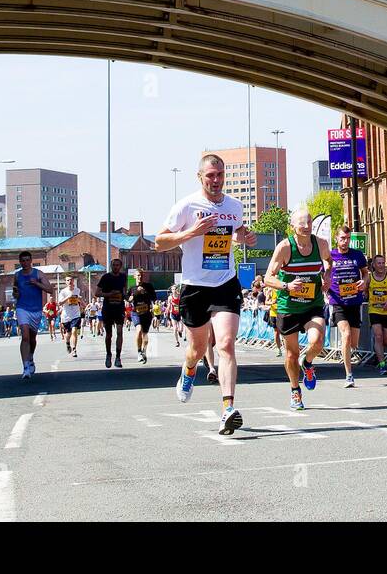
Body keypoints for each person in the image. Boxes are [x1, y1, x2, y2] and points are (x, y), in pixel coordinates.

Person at [155, 155, 257, 435]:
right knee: (198, 349)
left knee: (225, 344)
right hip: (195, 286)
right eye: (211, 175)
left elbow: (236, 232)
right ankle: (188, 371)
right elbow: (159, 241)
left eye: (220, 175)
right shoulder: (186, 206)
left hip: (225, 283)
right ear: (200, 177)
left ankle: (228, 409)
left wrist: (245, 237)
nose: (216, 180)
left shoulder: (234, 206)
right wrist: (191, 232)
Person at [264, 208, 331, 410]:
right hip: (288, 306)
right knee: (291, 354)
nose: (306, 226)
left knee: (318, 341)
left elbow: (329, 261)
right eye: (302, 223)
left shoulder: (320, 244)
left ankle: (308, 363)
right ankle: (295, 391)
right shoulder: (285, 247)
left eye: (309, 222)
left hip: (313, 303)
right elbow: (268, 278)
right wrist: (287, 286)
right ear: (292, 226)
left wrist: (327, 276)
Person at [327, 226, 370, 388]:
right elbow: (323, 274)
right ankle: (349, 375)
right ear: (336, 238)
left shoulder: (357, 255)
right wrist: (326, 287)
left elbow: (365, 273)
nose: (345, 241)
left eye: (347, 238)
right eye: (342, 238)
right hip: (338, 301)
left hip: (354, 301)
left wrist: (363, 282)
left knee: (354, 342)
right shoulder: (330, 256)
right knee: (345, 335)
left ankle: (349, 355)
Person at [12, 251, 54, 380]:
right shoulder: (17, 275)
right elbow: (15, 293)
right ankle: (25, 367)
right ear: (20, 262)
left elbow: (50, 289)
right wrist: (16, 293)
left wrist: (36, 283)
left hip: (35, 310)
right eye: (22, 261)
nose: (25, 263)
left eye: (27, 260)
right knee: (25, 336)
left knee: (32, 338)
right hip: (22, 308)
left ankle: (30, 357)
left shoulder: (38, 274)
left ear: (31, 261)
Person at [365, 253, 387, 373]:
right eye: (378, 263)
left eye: (382, 263)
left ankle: (379, 353)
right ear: (373, 265)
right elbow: (365, 292)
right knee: (378, 336)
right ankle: (382, 364)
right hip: (374, 310)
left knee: (386, 340)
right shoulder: (370, 278)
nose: (381, 265)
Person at [97, 260, 129, 369]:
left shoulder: (123, 277)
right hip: (108, 308)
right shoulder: (106, 277)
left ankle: (118, 357)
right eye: (114, 265)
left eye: (117, 265)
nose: (115, 267)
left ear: (120, 266)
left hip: (119, 308)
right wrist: (109, 294)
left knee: (120, 332)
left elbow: (124, 291)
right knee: (109, 334)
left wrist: (128, 297)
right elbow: (97, 293)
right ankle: (108, 355)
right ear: (111, 266)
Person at [58, 276, 83, 359]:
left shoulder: (77, 290)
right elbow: (60, 303)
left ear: (73, 281)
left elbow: (79, 300)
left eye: (71, 280)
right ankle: (67, 343)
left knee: (74, 331)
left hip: (76, 314)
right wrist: (68, 297)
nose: (70, 281)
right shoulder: (63, 292)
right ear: (65, 282)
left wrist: (82, 302)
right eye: (68, 280)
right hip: (66, 316)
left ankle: (74, 349)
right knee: (68, 334)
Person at [131, 281, 156, 364]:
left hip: (146, 313)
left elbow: (154, 298)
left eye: (141, 275)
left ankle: (144, 351)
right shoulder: (132, 288)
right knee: (139, 330)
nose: (139, 277)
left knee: (145, 334)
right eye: (138, 275)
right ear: (135, 277)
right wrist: (136, 292)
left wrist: (145, 292)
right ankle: (139, 352)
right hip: (136, 313)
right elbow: (129, 299)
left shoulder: (149, 286)